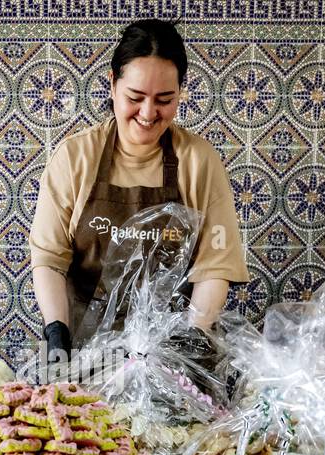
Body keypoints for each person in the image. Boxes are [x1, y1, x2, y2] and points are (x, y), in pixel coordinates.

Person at [29, 19, 249, 356]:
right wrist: (57, 334)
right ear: (113, 85)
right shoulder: (75, 158)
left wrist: (188, 344)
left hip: (173, 355)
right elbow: (49, 260)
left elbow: (215, 268)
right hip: (86, 354)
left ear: (180, 94)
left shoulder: (199, 161)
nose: (148, 113)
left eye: (165, 99)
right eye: (136, 97)